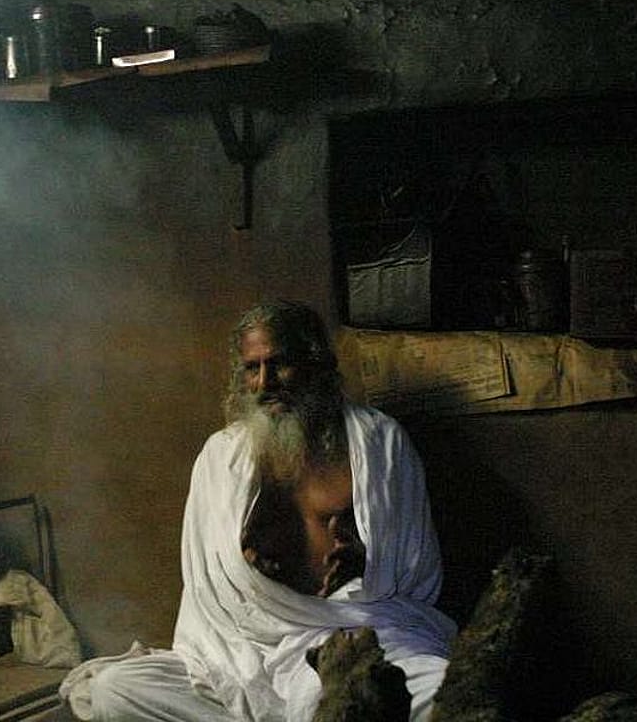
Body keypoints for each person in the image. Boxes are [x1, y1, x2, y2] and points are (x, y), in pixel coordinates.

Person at [61, 300, 455, 721]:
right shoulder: (221, 459)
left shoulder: (378, 442)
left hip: (354, 633)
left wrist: (367, 560)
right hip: (246, 652)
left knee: (434, 691)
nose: (266, 382)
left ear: (316, 365)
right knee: (116, 690)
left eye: (279, 364)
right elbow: (211, 596)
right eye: (253, 368)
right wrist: (247, 575)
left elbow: (414, 570)